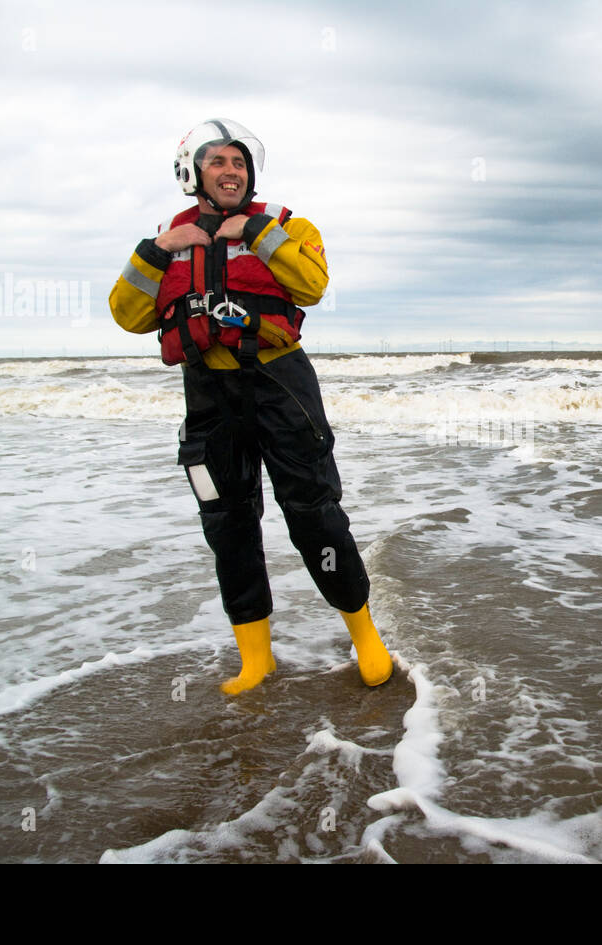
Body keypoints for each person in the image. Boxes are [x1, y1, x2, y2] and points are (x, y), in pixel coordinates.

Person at [108, 118, 392, 694]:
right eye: (218, 162)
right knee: (228, 524)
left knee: (313, 512)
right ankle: (256, 658)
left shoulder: (288, 226)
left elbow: (312, 284)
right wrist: (160, 250)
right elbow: (128, 315)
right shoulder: (167, 238)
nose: (231, 171)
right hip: (209, 396)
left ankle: (365, 636)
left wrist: (257, 233)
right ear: (193, 172)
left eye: (238, 162)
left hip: (280, 384)